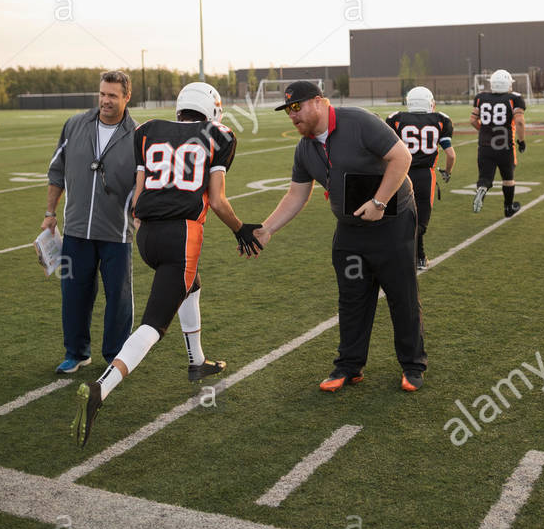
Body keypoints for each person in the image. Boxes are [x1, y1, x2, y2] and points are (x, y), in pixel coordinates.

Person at [72, 82, 263, 446]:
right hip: (181, 235)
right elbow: (218, 201)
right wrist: (241, 230)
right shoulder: (219, 135)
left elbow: (138, 194)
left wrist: (149, 226)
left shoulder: (147, 131)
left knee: (192, 284)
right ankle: (102, 387)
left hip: (147, 236)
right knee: (154, 324)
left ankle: (197, 361)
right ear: (213, 109)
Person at [257, 81, 426, 392]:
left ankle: (413, 365)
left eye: (297, 107)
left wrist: (379, 202)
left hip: (392, 221)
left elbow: (402, 158)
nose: (292, 115)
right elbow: (296, 195)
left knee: (401, 297)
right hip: (350, 231)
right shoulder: (305, 148)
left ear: (320, 102)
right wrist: (267, 229)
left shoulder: (359, 122)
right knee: (352, 298)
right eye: (288, 111)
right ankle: (349, 365)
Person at [44, 71, 138, 374]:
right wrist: (49, 213)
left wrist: (141, 215)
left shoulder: (138, 134)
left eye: (112, 95)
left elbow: (144, 182)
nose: (105, 100)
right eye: (102, 94)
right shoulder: (75, 125)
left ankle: (115, 357)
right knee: (73, 294)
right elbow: (56, 171)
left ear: (127, 97)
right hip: (75, 230)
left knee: (118, 299)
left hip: (117, 231)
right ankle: (76, 352)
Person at [386, 86, 455, 271]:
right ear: (429, 102)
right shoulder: (440, 120)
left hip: (400, 173)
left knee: (399, 214)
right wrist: (447, 172)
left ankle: (417, 255)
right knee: (420, 221)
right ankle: (412, 255)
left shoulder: (396, 119)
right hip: (425, 175)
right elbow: (451, 155)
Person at [470, 69, 525, 218]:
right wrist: (521, 141)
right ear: (507, 84)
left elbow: (473, 120)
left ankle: (482, 189)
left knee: (485, 177)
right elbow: (519, 122)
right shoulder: (514, 98)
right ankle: (508, 208)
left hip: (485, 145)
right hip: (504, 145)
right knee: (508, 178)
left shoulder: (481, 97)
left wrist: (485, 131)